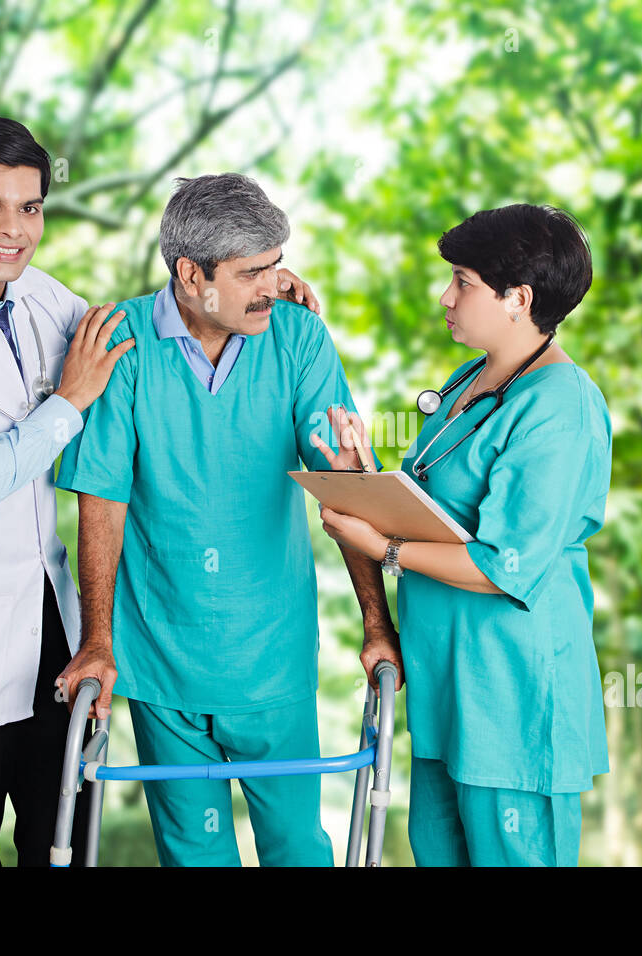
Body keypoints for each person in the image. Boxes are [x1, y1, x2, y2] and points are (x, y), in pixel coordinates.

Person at [0, 117, 318, 866]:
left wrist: (251, 285)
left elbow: (154, 318)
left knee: (63, 841)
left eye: (29, 207)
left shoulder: (45, 300)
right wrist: (66, 405)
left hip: (57, 635)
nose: (12, 229)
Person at [54, 173, 400, 867]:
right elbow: (102, 503)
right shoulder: (120, 347)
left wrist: (376, 624)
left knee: (297, 846)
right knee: (194, 854)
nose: (274, 285)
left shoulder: (297, 337)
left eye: (277, 267)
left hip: (269, 656)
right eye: (253, 272)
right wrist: (98, 641)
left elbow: (342, 484)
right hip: (160, 657)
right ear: (190, 273)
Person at [318, 203, 611, 866]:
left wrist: (384, 550)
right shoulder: (473, 379)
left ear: (519, 299)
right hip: (449, 691)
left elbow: (508, 564)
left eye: (462, 281)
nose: (445, 297)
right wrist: (361, 476)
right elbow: (436, 506)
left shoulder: (560, 406)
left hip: (512, 698)